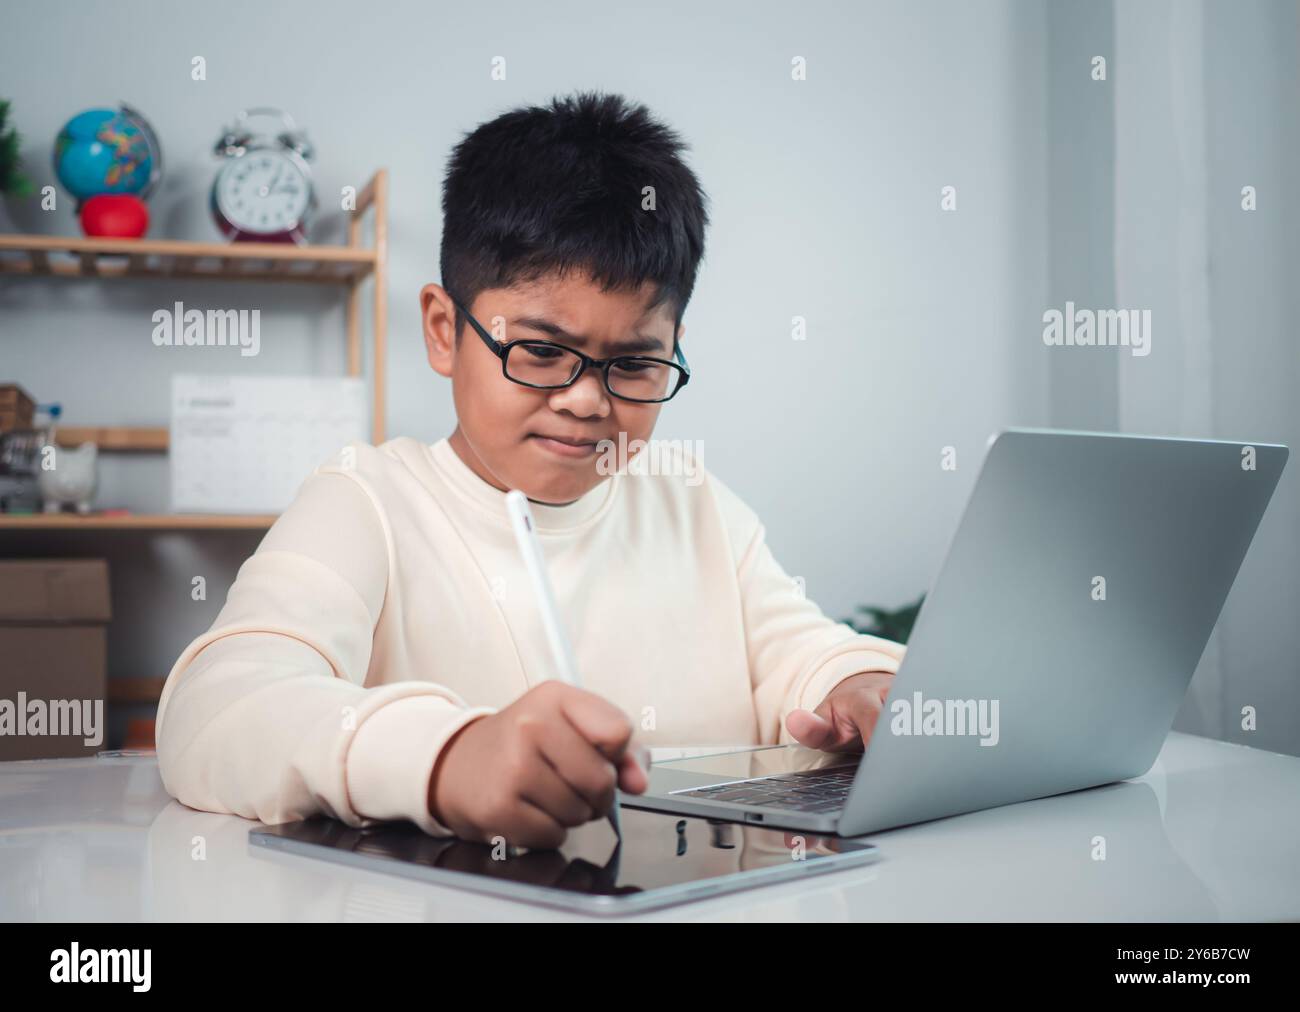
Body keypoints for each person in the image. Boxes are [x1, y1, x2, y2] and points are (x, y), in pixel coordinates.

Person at [156, 92, 905, 850]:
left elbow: (803, 651)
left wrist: (854, 680)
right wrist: (446, 758)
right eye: (542, 352)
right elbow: (217, 711)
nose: (585, 401)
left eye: (636, 362)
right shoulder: (367, 505)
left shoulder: (693, 502)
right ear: (446, 331)